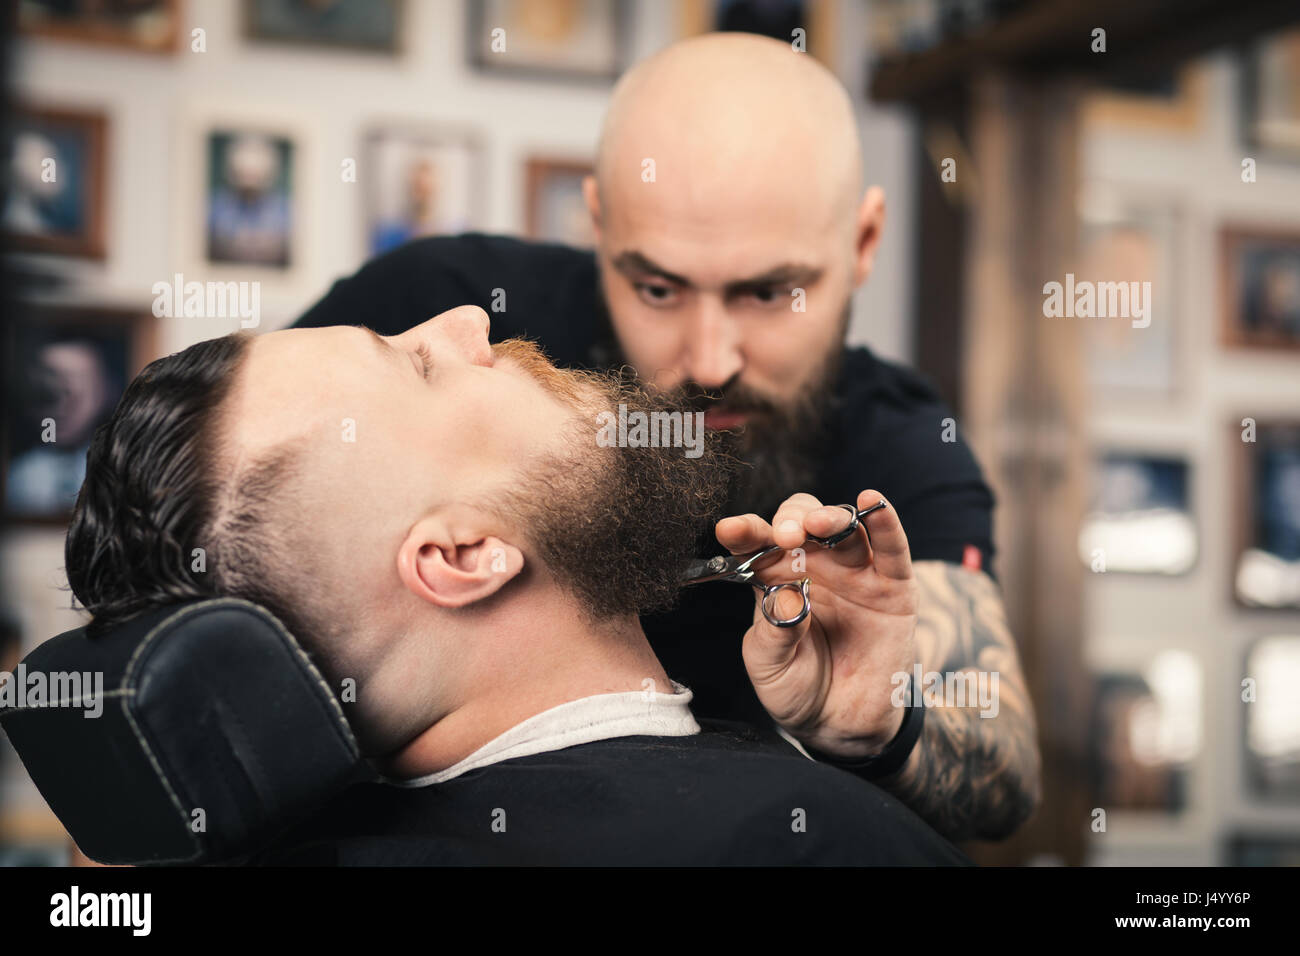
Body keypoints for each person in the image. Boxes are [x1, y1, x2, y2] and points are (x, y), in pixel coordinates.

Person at [293, 33, 1041, 841]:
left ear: (861, 244)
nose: (711, 360)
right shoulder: (440, 323)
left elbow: (1004, 768)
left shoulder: (894, 444)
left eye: (768, 291)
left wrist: (881, 726)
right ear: (600, 225)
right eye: (657, 287)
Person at [63, 308, 968, 865]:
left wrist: (869, 738)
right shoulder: (809, 843)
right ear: (462, 556)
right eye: (418, 364)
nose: (465, 323)